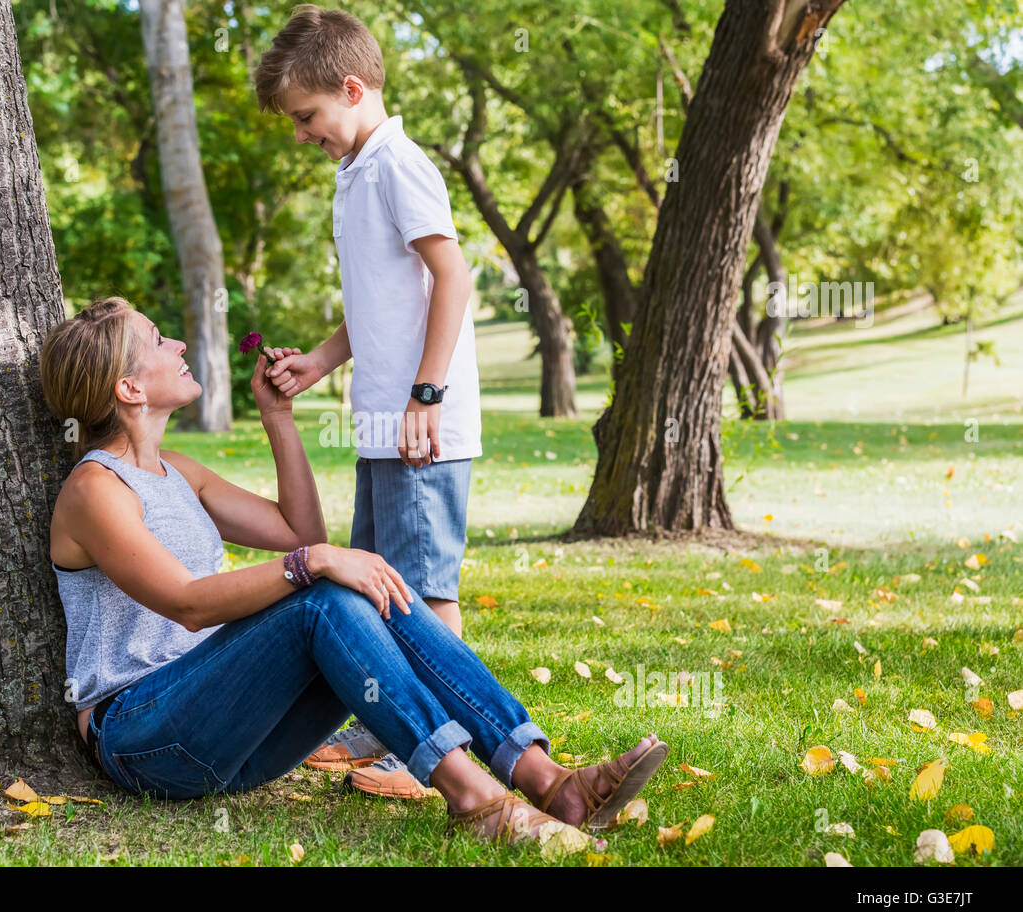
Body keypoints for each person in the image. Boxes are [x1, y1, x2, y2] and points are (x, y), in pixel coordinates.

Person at [38, 297, 669, 847]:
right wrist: (312, 564)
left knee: (353, 585)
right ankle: (475, 798)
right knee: (326, 593)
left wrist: (278, 419)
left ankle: (549, 782)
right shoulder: (96, 489)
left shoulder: (178, 471)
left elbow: (298, 534)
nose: (177, 343)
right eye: (156, 340)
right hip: (143, 737)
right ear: (129, 389)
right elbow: (188, 603)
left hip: (232, 740)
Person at [253, 4, 483, 797]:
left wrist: (427, 394)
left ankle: (430, 749)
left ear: (353, 89)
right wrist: (318, 362)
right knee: (378, 582)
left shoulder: (397, 164)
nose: (301, 133)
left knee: (423, 592)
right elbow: (381, 301)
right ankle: (387, 721)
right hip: (384, 426)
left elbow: (452, 276)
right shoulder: (355, 175)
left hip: (423, 426)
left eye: (307, 116)